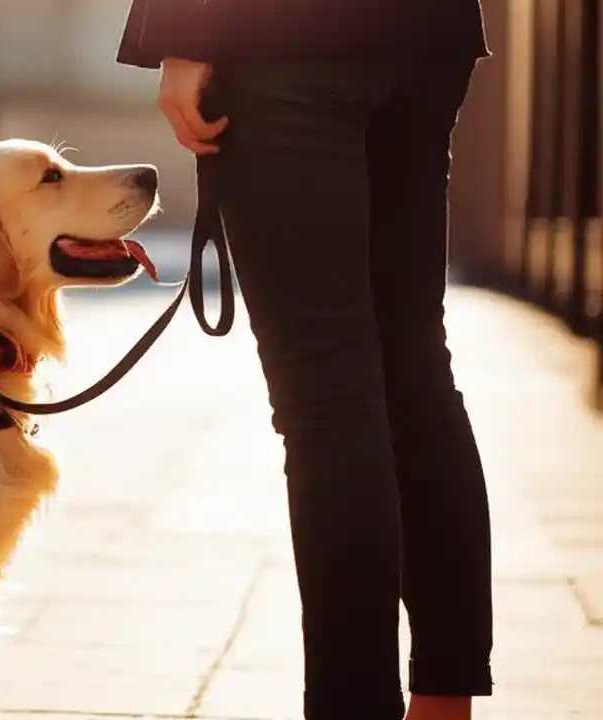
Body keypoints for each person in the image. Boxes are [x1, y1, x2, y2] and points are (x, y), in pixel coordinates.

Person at [116, 2, 494, 719]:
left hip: (280, 38)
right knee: (414, 364)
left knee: (328, 394)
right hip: (424, 33)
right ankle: (445, 701)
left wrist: (188, 31)